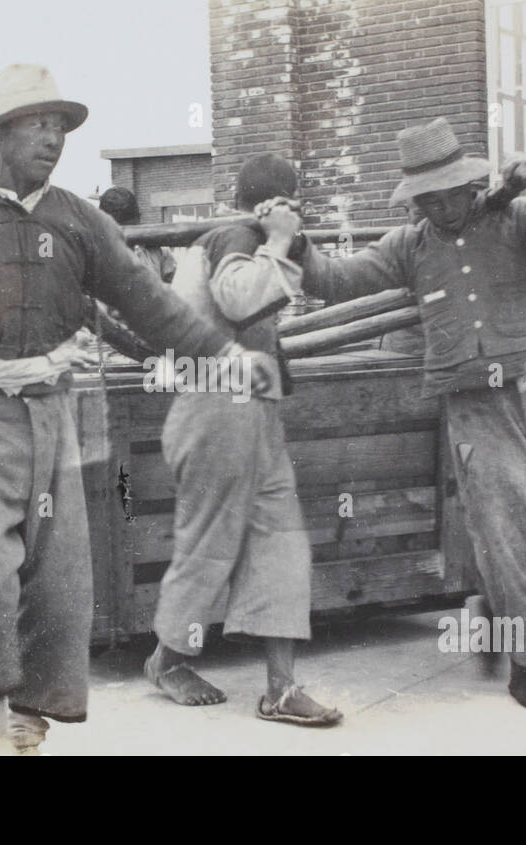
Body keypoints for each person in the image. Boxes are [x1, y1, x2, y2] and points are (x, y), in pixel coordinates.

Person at [0, 64, 275, 754]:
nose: (52, 138)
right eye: (37, 124)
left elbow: (150, 303)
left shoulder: (79, 220)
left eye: (59, 126)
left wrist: (224, 356)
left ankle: (26, 726)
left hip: (51, 419)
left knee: (56, 593)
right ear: (1, 135)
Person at [305, 118, 526, 713]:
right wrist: (292, 243)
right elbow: (336, 281)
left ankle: (497, 606)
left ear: (471, 184)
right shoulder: (409, 247)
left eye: (447, 195)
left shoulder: (517, 218)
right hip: (473, 401)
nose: (439, 208)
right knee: (509, 527)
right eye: (426, 200)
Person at [145, 153, 341, 727]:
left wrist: (284, 245)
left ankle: (281, 688)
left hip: (254, 410)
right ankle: (167, 661)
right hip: (215, 408)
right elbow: (237, 298)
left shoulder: (241, 237)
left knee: (282, 545)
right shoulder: (235, 235)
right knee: (208, 548)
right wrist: (278, 239)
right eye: (292, 204)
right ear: (276, 203)